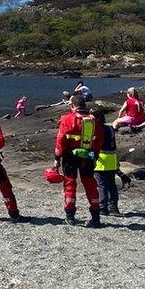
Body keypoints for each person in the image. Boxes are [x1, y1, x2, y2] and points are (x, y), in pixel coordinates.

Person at [54, 94, 103, 227]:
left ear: (73, 105)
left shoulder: (67, 119)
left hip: (70, 157)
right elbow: (99, 141)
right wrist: (95, 155)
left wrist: (57, 158)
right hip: (89, 156)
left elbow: (61, 140)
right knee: (91, 184)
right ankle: (96, 217)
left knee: (70, 184)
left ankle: (70, 216)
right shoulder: (94, 120)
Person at [91, 109, 123, 217]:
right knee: (111, 185)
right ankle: (113, 207)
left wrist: (89, 158)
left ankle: (103, 208)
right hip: (112, 159)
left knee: (101, 185)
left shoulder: (95, 130)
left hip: (100, 160)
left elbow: (92, 146)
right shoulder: (110, 129)